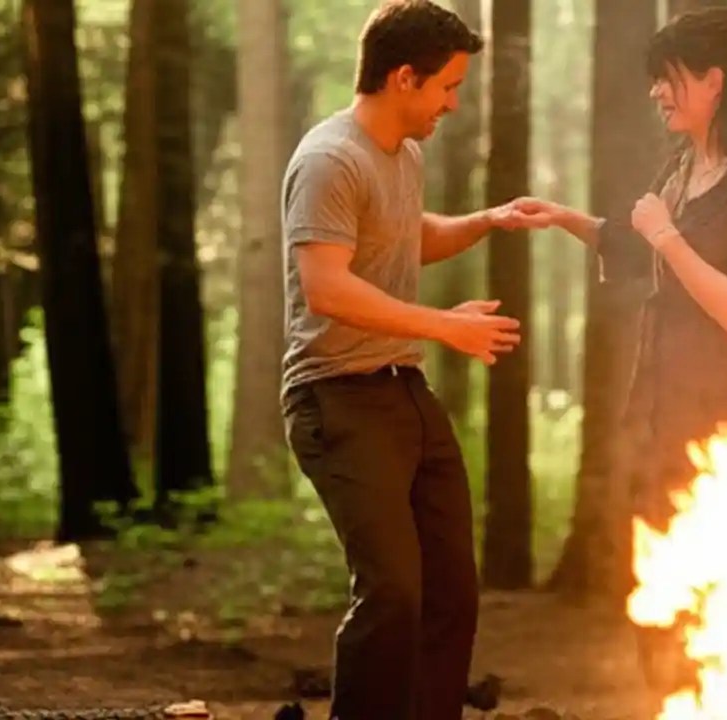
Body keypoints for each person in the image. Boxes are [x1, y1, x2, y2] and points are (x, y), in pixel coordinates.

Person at [521, 7, 727, 706]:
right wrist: (566, 219)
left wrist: (666, 234)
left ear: (715, 82)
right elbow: (650, 252)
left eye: (669, 78)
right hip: (665, 426)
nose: (656, 92)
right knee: (663, 607)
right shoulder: (686, 171)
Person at [278, 2, 551, 718]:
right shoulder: (330, 159)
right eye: (447, 86)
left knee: (450, 591)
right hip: (335, 395)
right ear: (404, 77)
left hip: (403, 391)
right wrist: (443, 326)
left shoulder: (403, 154)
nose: (452, 104)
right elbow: (327, 286)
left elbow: (407, 235)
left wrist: (487, 221)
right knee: (394, 591)